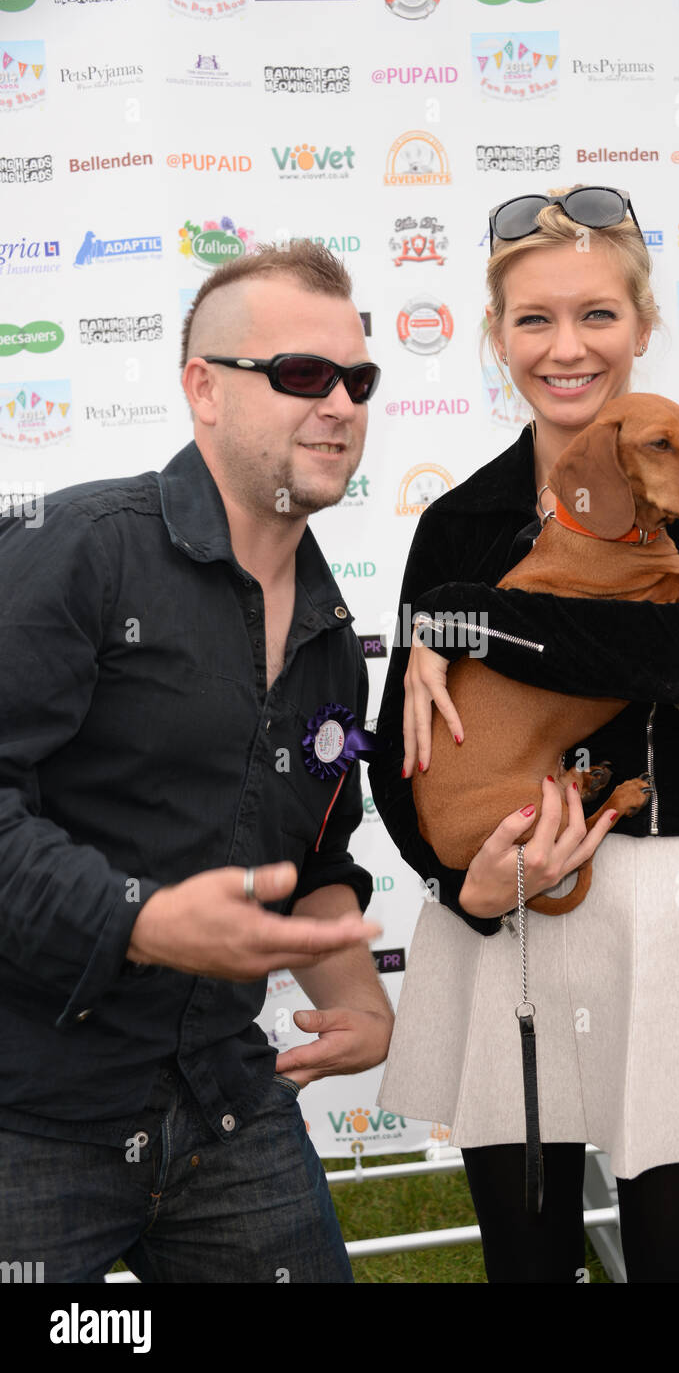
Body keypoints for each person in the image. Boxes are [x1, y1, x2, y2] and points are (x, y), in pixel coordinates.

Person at [370, 186, 679, 1284]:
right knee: (528, 1273)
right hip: (509, 900)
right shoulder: (462, 520)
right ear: (496, 338)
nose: (566, 347)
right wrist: (458, 887)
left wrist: (464, 614)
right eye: (533, 318)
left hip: (676, 901)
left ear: (643, 326)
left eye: (597, 315)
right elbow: (409, 742)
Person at [0, 241, 393, 1284]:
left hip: (228, 1101)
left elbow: (311, 859)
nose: (341, 403)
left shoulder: (330, 636)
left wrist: (358, 993)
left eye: (358, 379)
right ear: (203, 390)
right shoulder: (80, 547)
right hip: (30, 1109)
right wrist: (144, 919)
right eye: (302, 375)